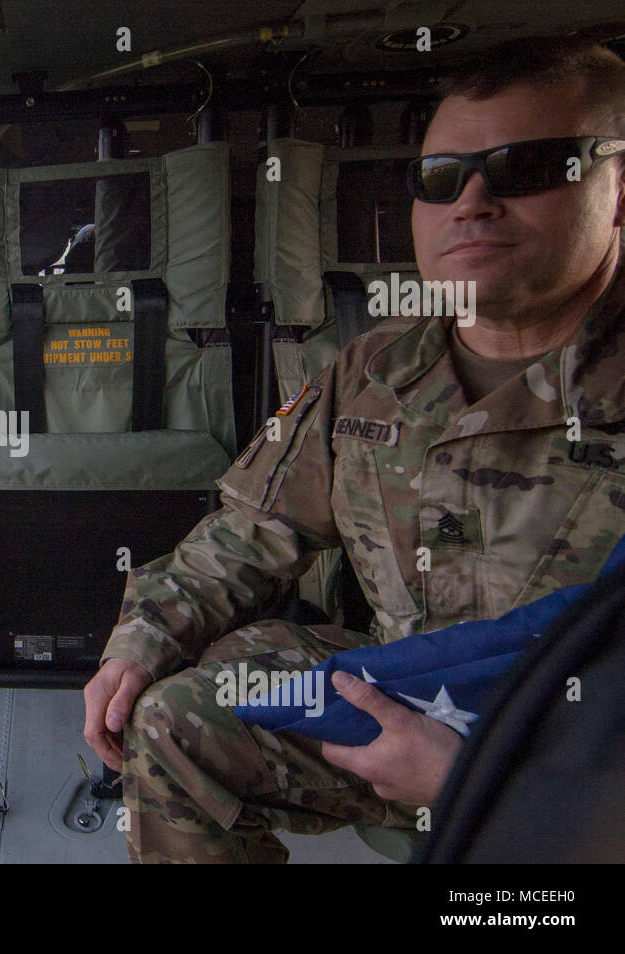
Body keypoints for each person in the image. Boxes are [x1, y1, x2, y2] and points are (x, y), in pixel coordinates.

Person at [82, 36, 625, 863]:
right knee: (174, 720)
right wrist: (140, 639)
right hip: (396, 700)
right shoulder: (374, 370)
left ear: (617, 190)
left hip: (578, 776)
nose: (471, 202)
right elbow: (249, 534)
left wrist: (488, 779)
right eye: (440, 179)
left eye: (525, 167)